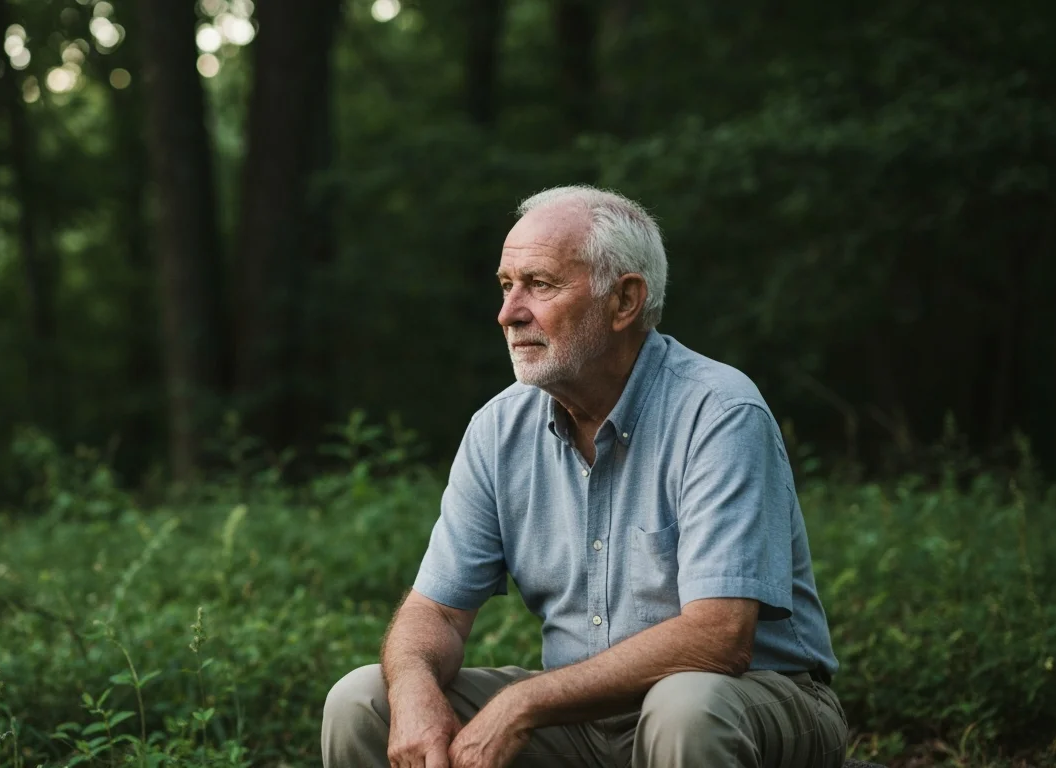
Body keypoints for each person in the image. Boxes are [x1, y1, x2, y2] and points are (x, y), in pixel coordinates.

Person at [321, 186, 847, 768]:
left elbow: (719, 637)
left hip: (755, 700)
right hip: (578, 721)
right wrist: (416, 694)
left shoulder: (719, 412)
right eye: (505, 285)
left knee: (684, 705)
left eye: (539, 285)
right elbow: (436, 612)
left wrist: (524, 702)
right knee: (363, 702)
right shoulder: (499, 428)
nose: (508, 312)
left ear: (624, 302)